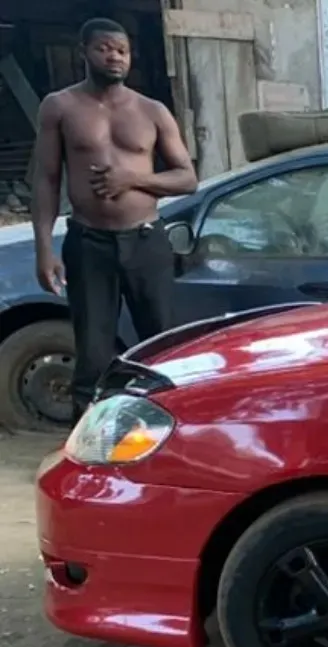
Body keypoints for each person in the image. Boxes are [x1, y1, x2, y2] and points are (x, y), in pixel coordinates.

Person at [31, 17, 198, 422]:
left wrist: (133, 177)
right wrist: (44, 249)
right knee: (92, 352)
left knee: (163, 346)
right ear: (83, 51)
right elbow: (46, 177)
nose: (114, 56)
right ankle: (87, 445)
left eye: (122, 50)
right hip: (89, 243)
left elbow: (187, 178)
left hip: (146, 242)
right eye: (104, 48)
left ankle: (168, 434)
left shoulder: (152, 110)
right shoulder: (60, 106)